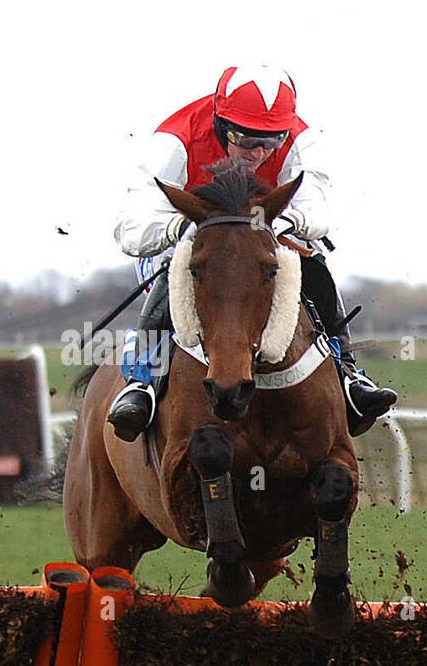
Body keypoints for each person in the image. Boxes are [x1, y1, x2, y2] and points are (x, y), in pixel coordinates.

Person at [108, 65, 396, 441]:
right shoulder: (173, 143)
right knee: (178, 262)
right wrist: (180, 228)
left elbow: (320, 207)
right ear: (220, 124)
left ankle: (348, 374)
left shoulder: (299, 140)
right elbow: (129, 226)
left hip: (261, 237)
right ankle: (141, 381)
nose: (259, 154)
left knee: (310, 258)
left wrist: (285, 223)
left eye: (270, 143)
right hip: (184, 240)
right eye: (246, 141)